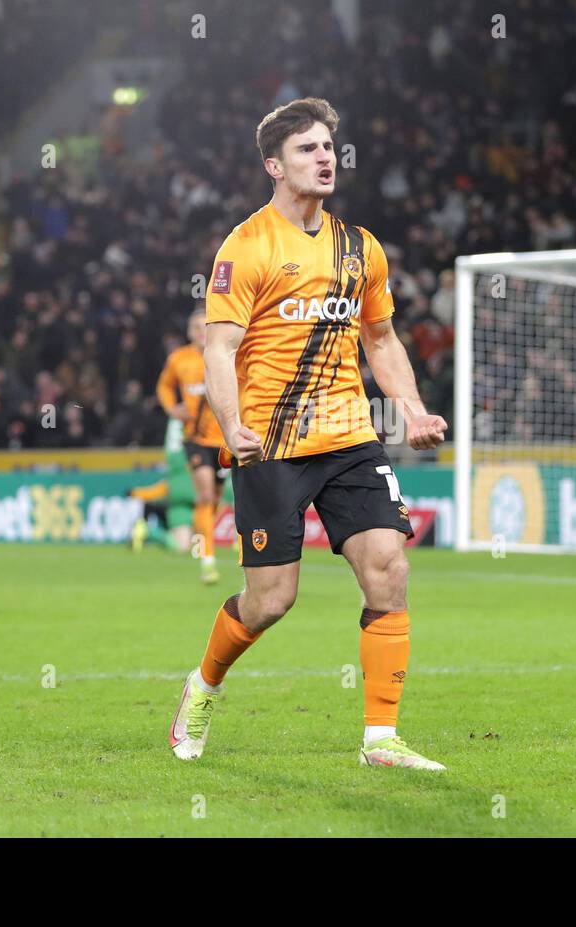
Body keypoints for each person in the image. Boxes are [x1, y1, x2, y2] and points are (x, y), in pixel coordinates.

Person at [169, 98, 448, 770]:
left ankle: (381, 739)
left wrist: (409, 406)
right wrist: (232, 422)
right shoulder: (246, 246)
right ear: (274, 164)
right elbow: (219, 346)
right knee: (271, 600)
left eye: (328, 147)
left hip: (350, 436)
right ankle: (203, 685)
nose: (324, 158)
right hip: (271, 444)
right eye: (306, 150)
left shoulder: (361, 248)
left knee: (389, 566)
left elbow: (380, 339)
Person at [155, 308, 228, 584]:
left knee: (216, 501)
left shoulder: (226, 355)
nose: (201, 331)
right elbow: (164, 386)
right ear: (189, 332)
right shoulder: (180, 359)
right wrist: (172, 409)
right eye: (196, 327)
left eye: (206, 326)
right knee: (205, 496)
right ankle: (207, 559)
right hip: (195, 439)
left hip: (223, 440)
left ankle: (203, 540)